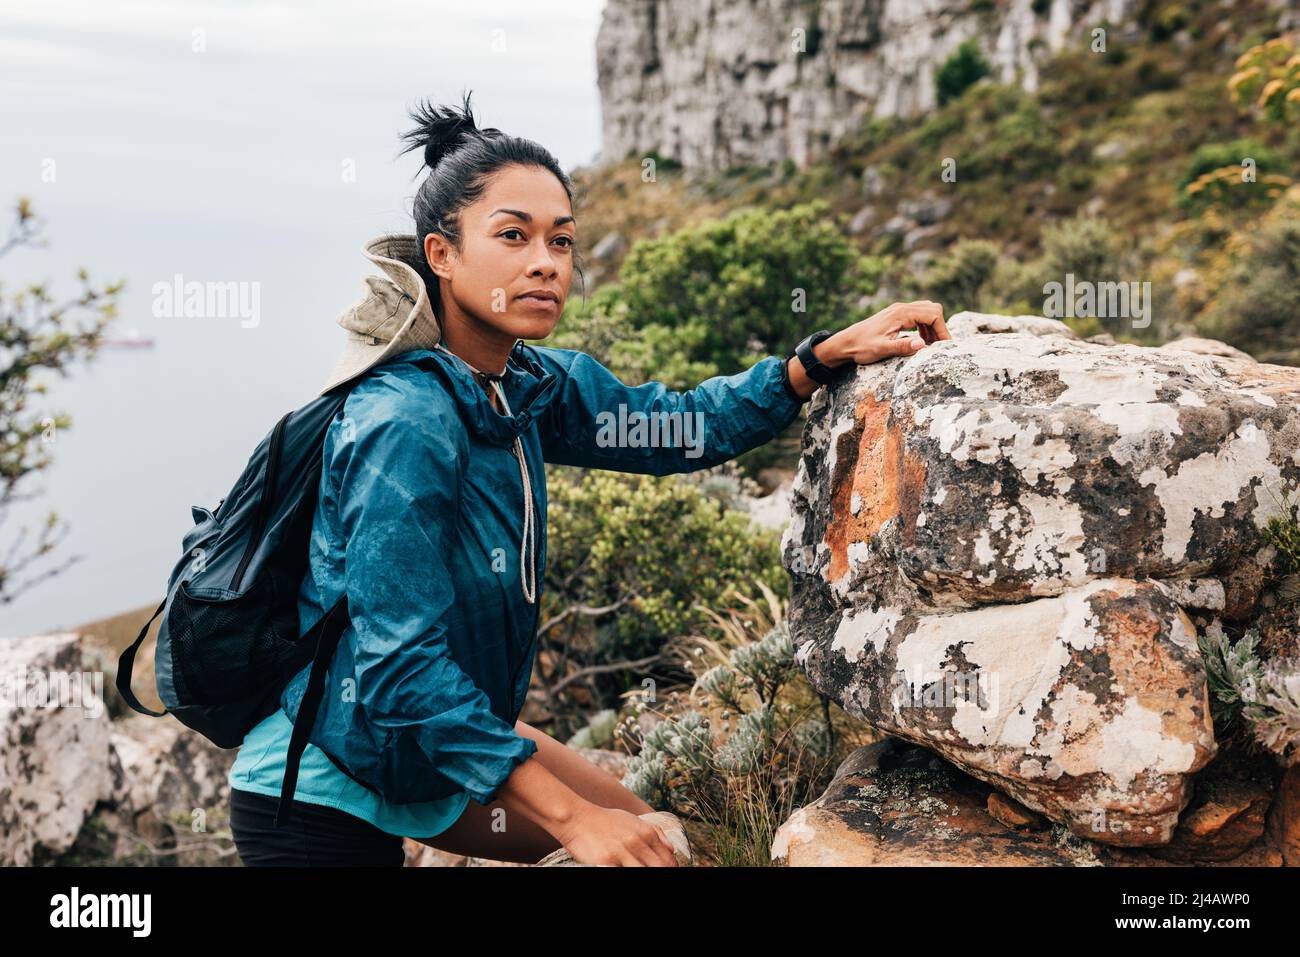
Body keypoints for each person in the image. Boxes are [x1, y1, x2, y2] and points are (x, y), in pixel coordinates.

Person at [226, 92, 950, 868]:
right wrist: (573, 819)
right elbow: (399, 668)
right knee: (618, 845)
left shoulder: (528, 382)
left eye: (561, 241)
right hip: (321, 787)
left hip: (429, 748)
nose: (544, 261)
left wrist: (815, 361)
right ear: (441, 254)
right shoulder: (403, 421)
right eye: (513, 235)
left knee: (665, 848)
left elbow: (680, 427)